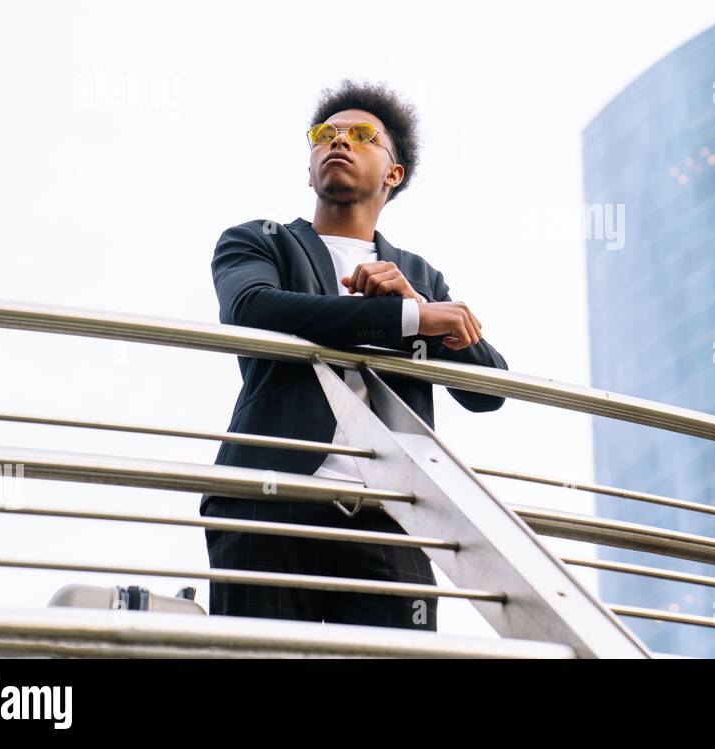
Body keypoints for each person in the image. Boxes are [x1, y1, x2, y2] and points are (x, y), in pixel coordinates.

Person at [200, 79, 508, 631]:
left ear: (394, 174)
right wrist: (407, 319)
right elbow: (252, 307)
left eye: (362, 134)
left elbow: (487, 394)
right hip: (272, 503)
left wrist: (418, 304)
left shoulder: (419, 275)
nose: (338, 141)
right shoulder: (260, 240)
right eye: (325, 134)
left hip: (392, 519)